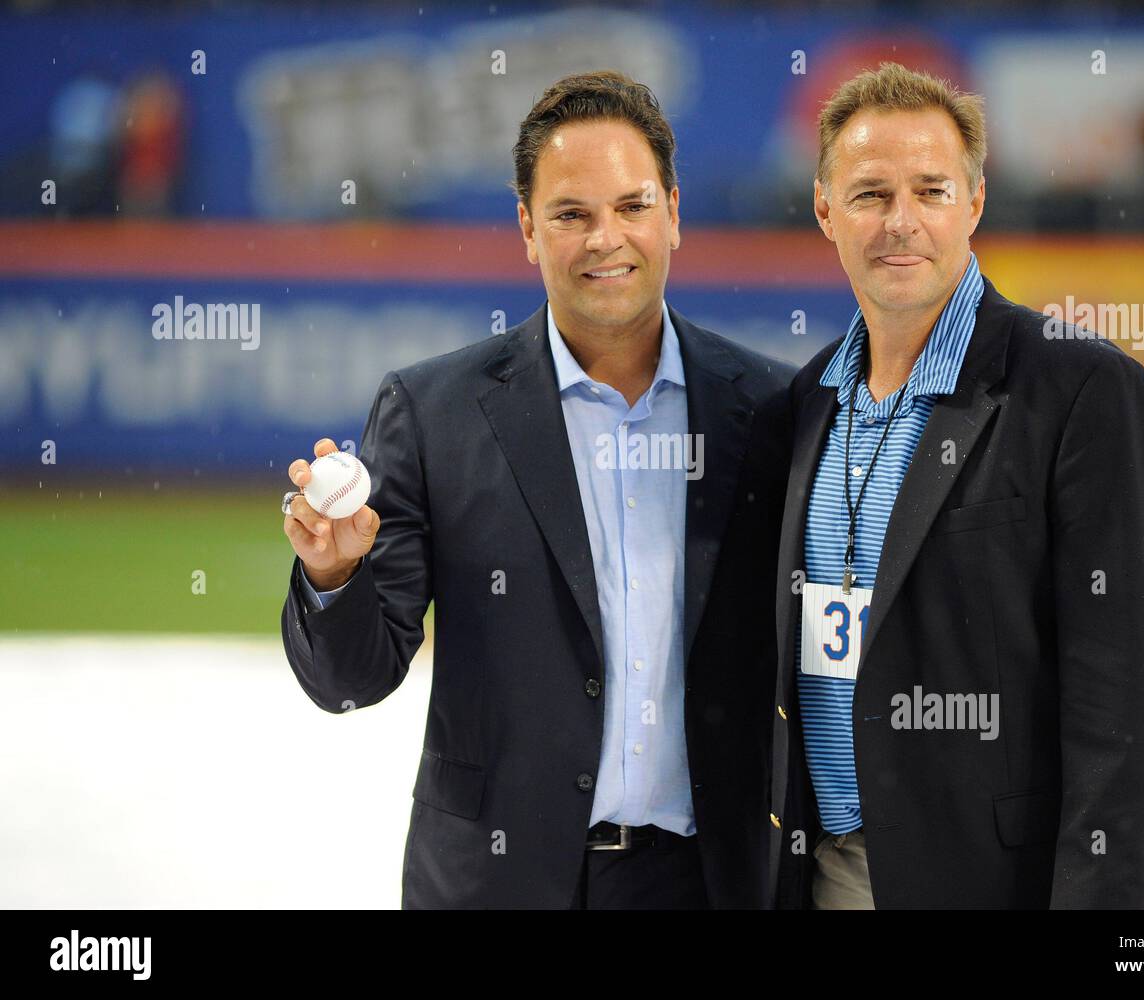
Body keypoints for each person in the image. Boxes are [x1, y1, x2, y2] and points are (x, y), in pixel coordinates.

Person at [280, 71, 795, 908]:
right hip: (496, 883)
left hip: (711, 884)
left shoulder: (772, 410)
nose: (605, 239)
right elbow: (353, 681)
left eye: (631, 207)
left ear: (673, 211)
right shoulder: (435, 413)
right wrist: (336, 578)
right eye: (570, 214)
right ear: (526, 226)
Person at [768, 62, 1144, 909]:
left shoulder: (1082, 390)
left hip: (998, 880)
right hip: (824, 875)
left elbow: (1137, 694)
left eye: (930, 191)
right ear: (824, 209)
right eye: (869, 194)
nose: (902, 222)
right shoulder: (806, 401)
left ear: (974, 204)